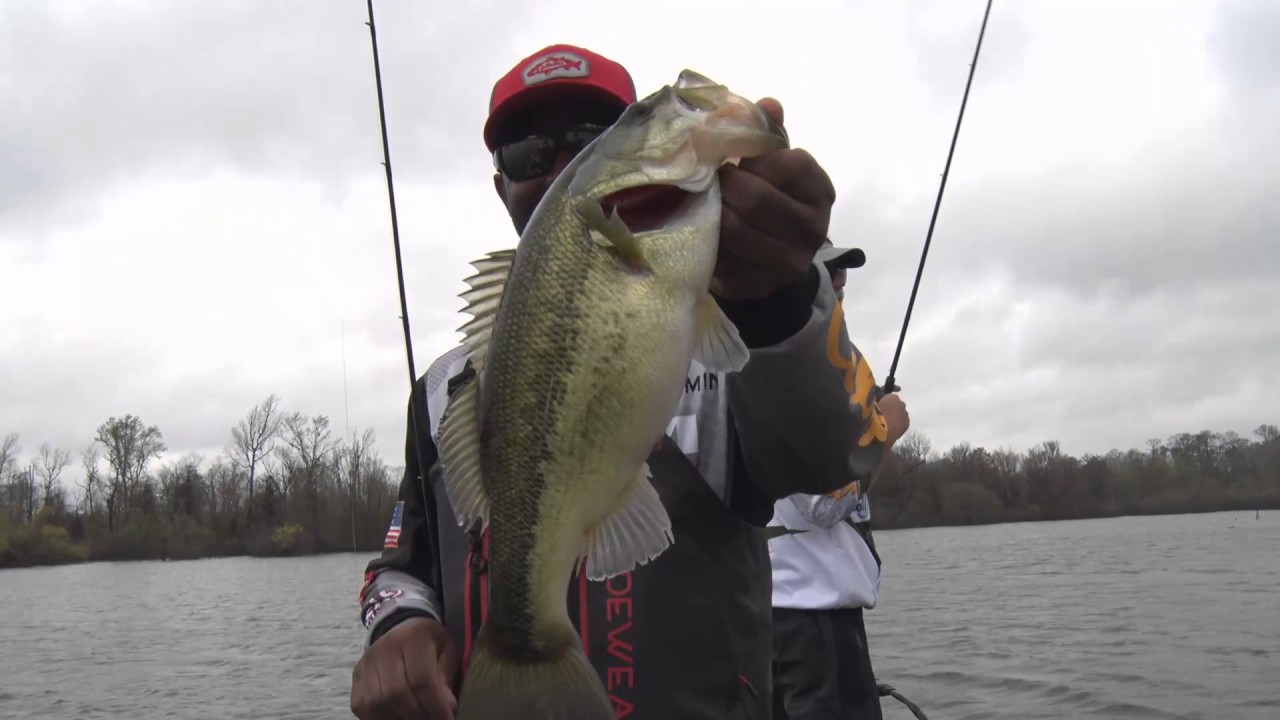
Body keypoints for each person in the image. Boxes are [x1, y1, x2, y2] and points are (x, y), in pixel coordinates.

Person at [349, 43, 908, 720]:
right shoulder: (443, 390)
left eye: (588, 139)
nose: (558, 168)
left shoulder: (733, 346)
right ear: (502, 188)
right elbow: (401, 564)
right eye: (529, 155)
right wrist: (398, 623)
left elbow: (830, 455)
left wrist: (779, 301)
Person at [768, 250, 910, 720]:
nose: (840, 284)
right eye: (828, 276)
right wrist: (885, 432)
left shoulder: (809, 367)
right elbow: (823, 504)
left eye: (842, 280)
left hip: (809, 617)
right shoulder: (786, 372)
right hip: (809, 622)